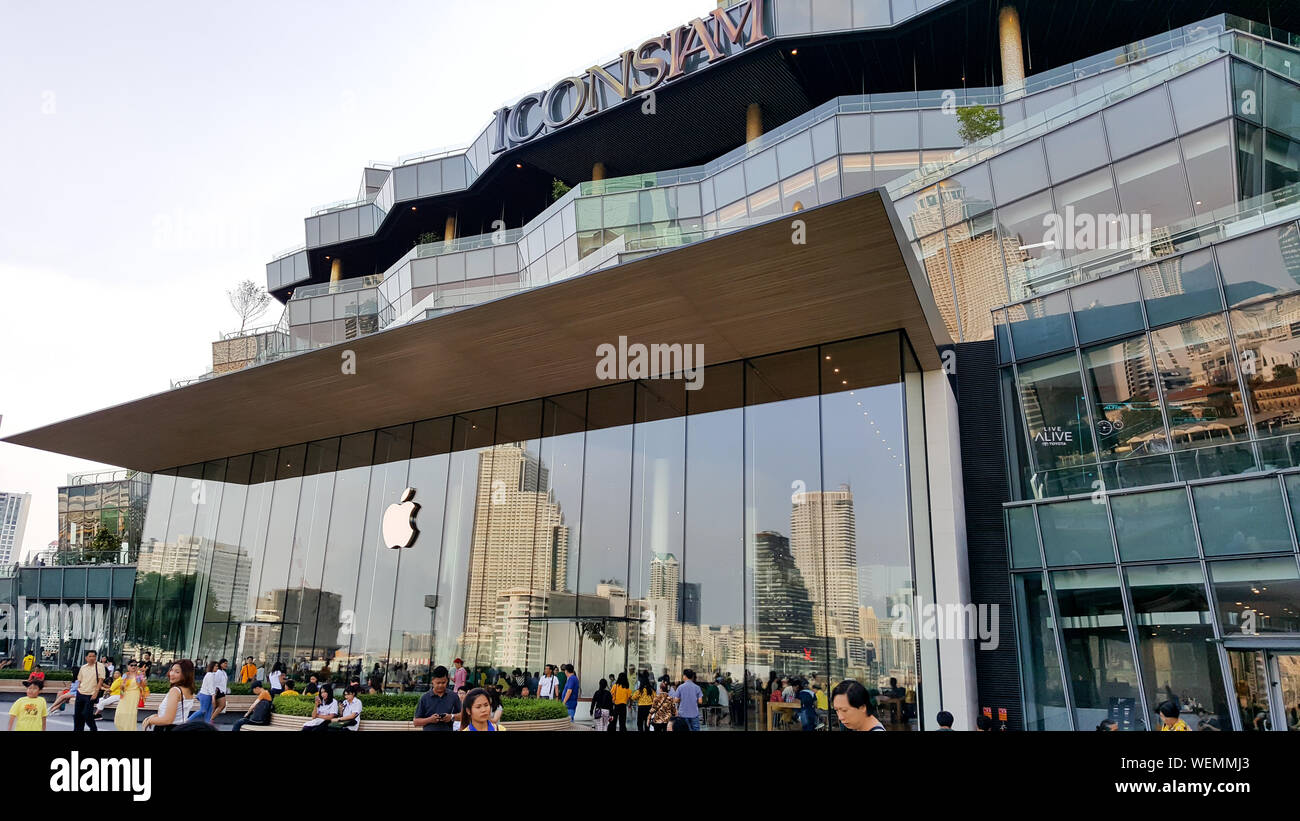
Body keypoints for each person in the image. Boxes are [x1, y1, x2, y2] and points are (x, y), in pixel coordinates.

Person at [142, 660, 199, 730]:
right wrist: (156, 716)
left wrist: (149, 720)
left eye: (177, 672)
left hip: (166, 728)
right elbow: (177, 714)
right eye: (171, 670)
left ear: (186, 674)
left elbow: (168, 720)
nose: (172, 674)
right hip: (180, 728)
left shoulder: (175, 691)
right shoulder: (188, 690)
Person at [413, 665, 460, 732]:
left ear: (447, 681)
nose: (440, 685)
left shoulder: (453, 696)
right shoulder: (425, 698)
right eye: (438, 683)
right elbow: (416, 722)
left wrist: (451, 717)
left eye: (443, 682)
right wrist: (430, 720)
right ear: (432, 681)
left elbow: (464, 716)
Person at [73, 650, 106, 732]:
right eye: (90, 656)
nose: (92, 658)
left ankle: (93, 728)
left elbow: (101, 680)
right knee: (78, 715)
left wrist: (96, 692)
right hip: (81, 693)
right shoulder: (83, 667)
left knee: (86, 714)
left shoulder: (99, 666)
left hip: (91, 694)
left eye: (94, 656)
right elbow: (79, 680)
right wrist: (77, 689)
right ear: (86, 658)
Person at [115, 660, 144, 732]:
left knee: (131, 715)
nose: (133, 667)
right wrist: (122, 687)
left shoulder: (139, 675)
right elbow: (121, 687)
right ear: (128, 666)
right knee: (119, 714)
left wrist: (142, 676)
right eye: (131, 665)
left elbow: (142, 686)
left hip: (134, 695)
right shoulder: (125, 675)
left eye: (135, 665)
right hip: (125, 695)